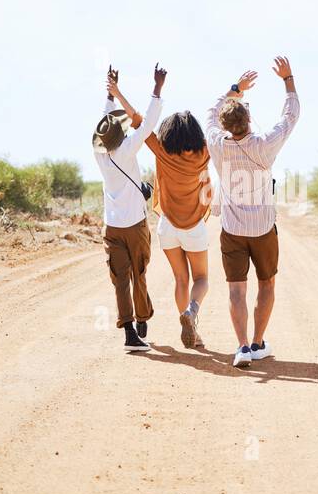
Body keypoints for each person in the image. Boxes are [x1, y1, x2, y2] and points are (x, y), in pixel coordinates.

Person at [205, 56, 300, 368]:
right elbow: (290, 117)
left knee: (236, 290)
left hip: (232, 230)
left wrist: (235, 89)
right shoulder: (264, 144)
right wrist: (288, 80)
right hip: (263, 229)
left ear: (226, 125)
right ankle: (259, 342)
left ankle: (242, 347)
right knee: (267, 284)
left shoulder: (217, 144)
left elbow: (210, 113)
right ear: (248, 120)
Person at [92, 63, 164, 352]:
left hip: (112, 228)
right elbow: (148, 123)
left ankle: (130, 334)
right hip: (135, 225)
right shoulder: (128, 148)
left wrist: (109, 92)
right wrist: (157, 87)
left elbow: (105, 121)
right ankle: (143, 317)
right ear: (120, 134)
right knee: (140, 273)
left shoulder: (99, 156)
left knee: (120, 280)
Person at [144, 110, 212, 349]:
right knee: (201, 278)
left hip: (167, 225)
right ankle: (192, 313)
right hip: (194, 227)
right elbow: (216, 124)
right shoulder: (205, 152)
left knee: (180, 279)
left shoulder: (161, 152)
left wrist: (116, 92)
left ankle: (190, 323)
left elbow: (138, 122)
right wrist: (234, 93)